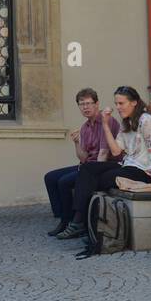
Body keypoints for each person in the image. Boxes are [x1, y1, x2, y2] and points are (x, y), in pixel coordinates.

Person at [57, 85, 151, 247]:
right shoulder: (127, 122)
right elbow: (116, 149)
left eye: (121, 103)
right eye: (116, 103)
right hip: (127, 166)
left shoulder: (147, 121)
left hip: (144, 172)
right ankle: (80, 222)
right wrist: (105, 125)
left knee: (100, 178)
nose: (118, 107)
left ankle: (81, 223)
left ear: (134, 103)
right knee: (88, 169)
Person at [43, 88, 114, 236]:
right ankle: (63, 218)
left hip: (103, 167)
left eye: (89, 103)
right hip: (87, 165)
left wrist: (91, 173)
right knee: (50, 177)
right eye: (82, 104)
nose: (85, 107)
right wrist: (76, 143)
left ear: (97, 104)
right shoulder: (85, 127)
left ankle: (73, 222)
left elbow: (104, 153)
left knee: (64, 182)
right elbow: (83, 158)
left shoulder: (107, 121)